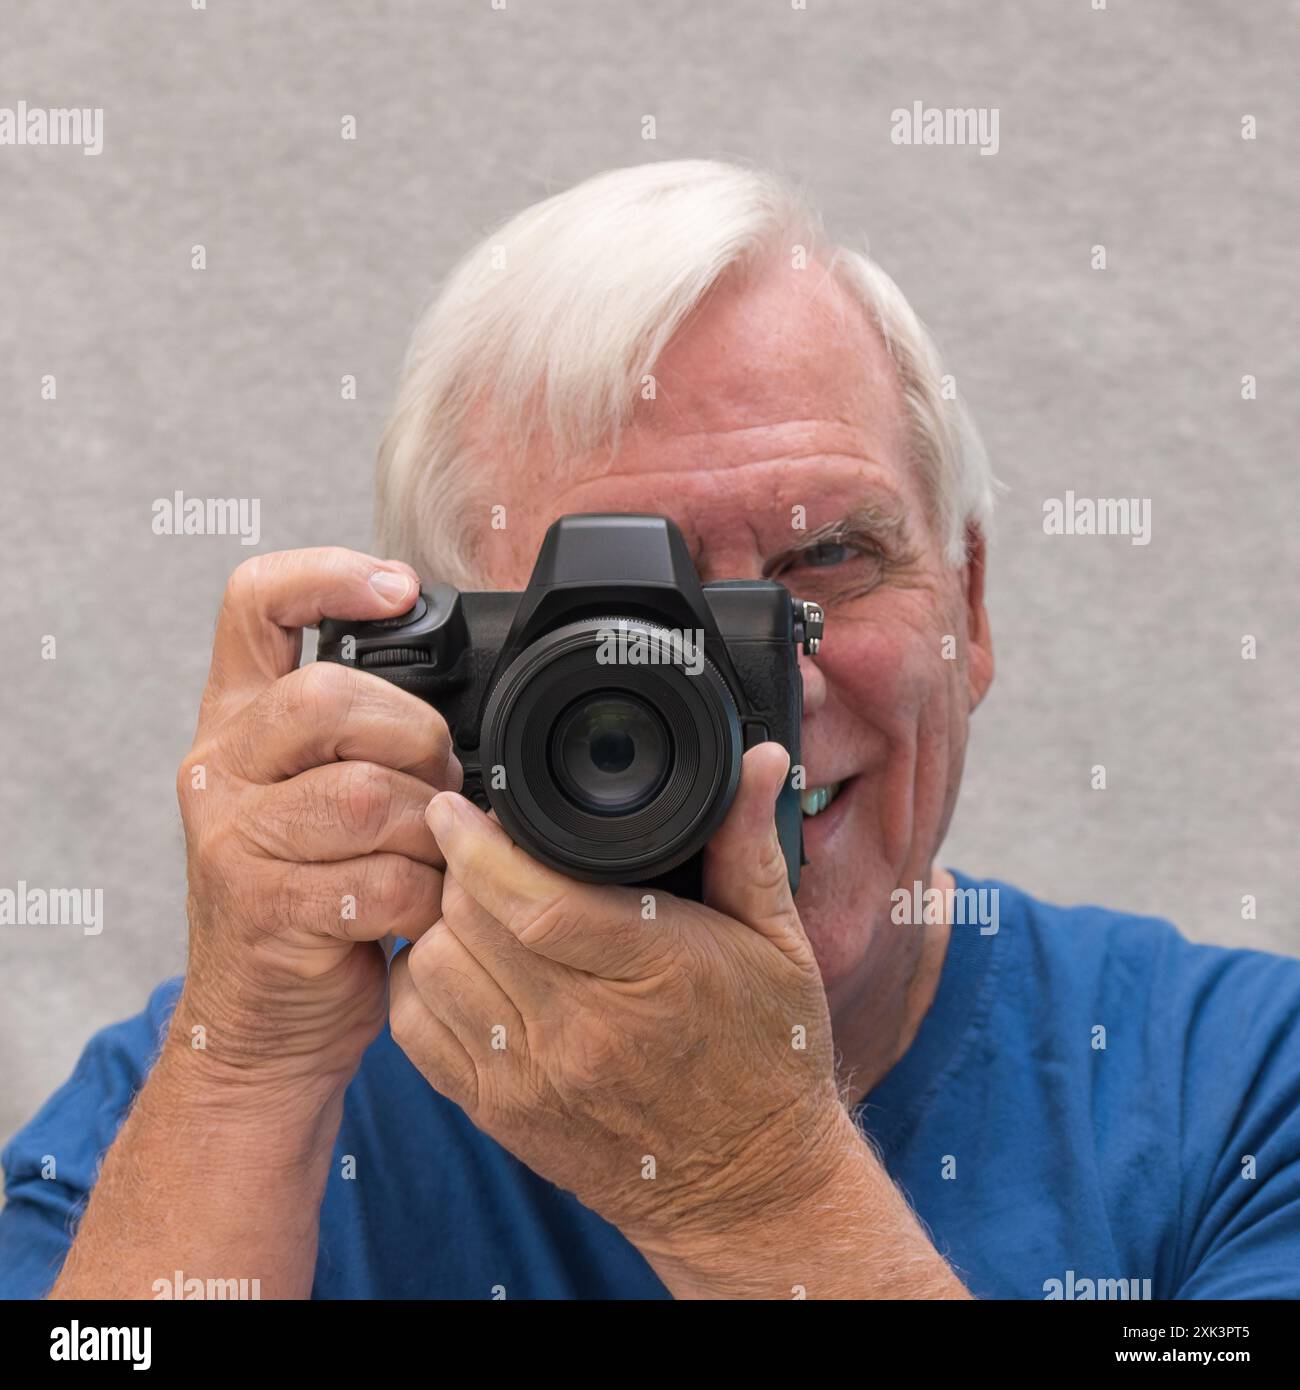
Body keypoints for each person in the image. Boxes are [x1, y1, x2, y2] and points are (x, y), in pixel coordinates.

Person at [4, 161, 1298, 1299]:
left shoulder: (1236, 1088)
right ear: (444, 684)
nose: (760, 708)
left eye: (830, 556)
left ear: (968, 602)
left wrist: (751, 1187)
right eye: (626, 611)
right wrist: (251, 1075)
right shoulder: (212, 1089)